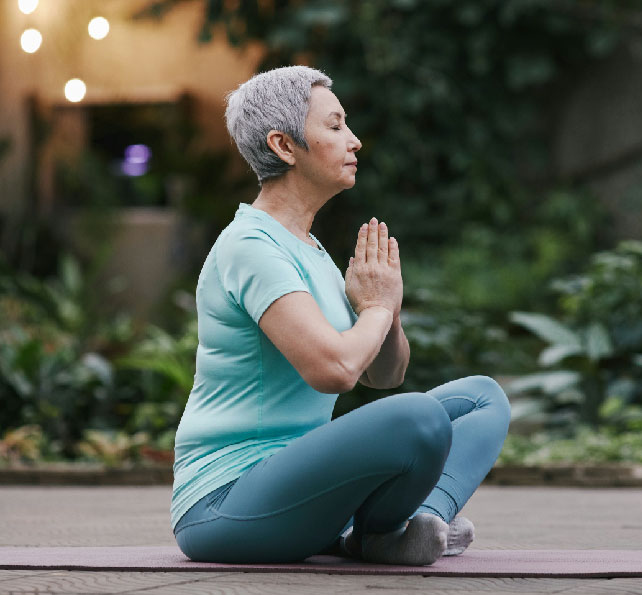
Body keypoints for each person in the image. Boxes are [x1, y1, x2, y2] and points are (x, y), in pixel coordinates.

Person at [171, 65, 511, 566]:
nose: (354, 141)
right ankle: (378, 533)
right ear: (284, 146)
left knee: (482, 397)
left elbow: (384, 374)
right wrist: (373, 307)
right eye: (334, 126)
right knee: (418, 417)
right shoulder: (250, 246)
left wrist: (387, 308)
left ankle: (413, 526)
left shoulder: (309, 248)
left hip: (299, 492)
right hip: (226, 503)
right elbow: (334, 371)